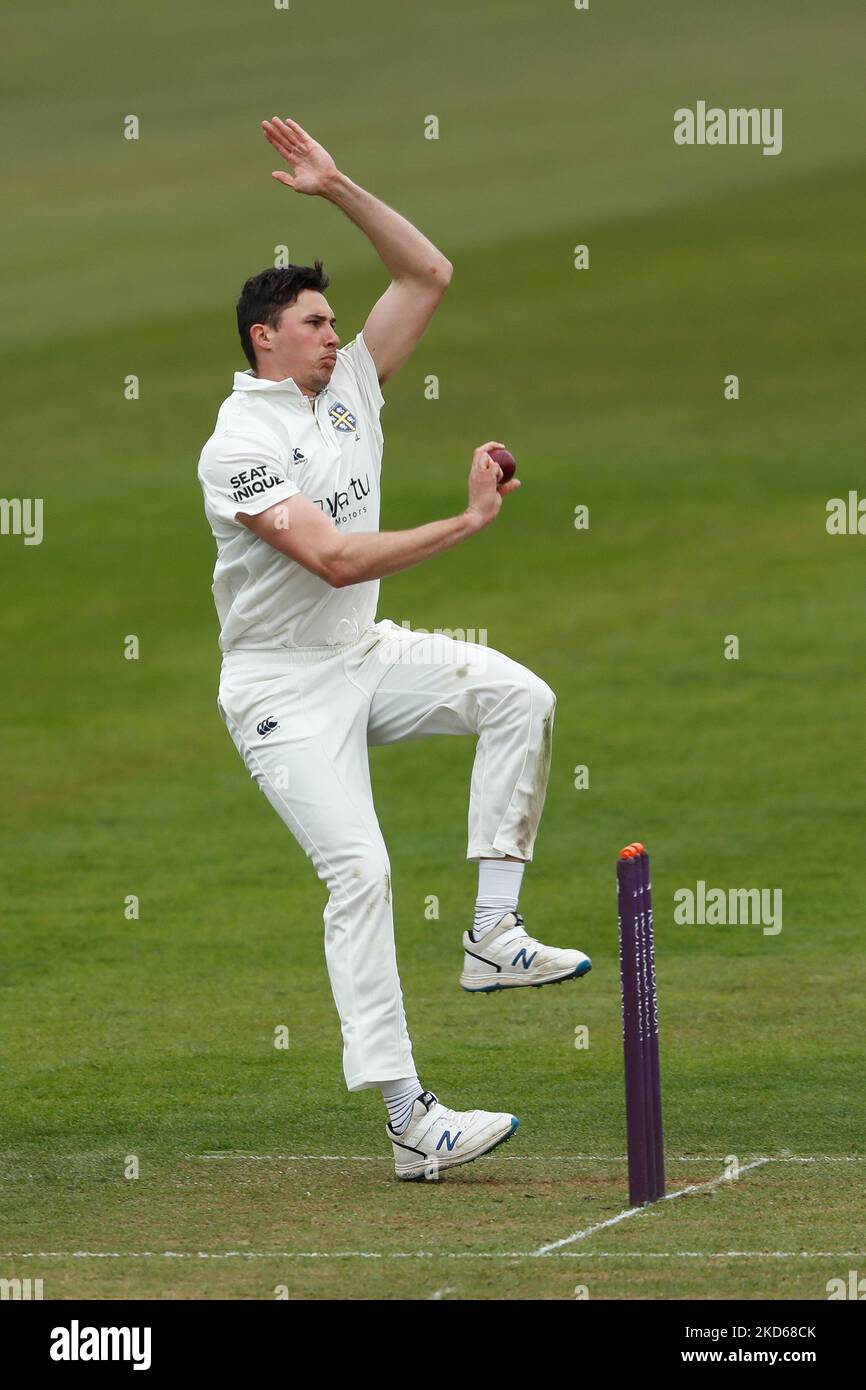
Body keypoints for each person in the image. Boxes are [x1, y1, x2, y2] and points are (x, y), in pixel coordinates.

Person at [197, 116, 591, 1181]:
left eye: (336, 321)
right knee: (361, 871)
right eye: (316, 323)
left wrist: (336, 188)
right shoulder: (239, 444)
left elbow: (427, 270)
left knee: (520, 695)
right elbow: (328, 560)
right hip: (282, 690)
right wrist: (463, 524)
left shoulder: (353, 389)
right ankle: (410, 1119)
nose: (336, 335)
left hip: (361, 658)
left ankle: (492, 936)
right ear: (263, 341)